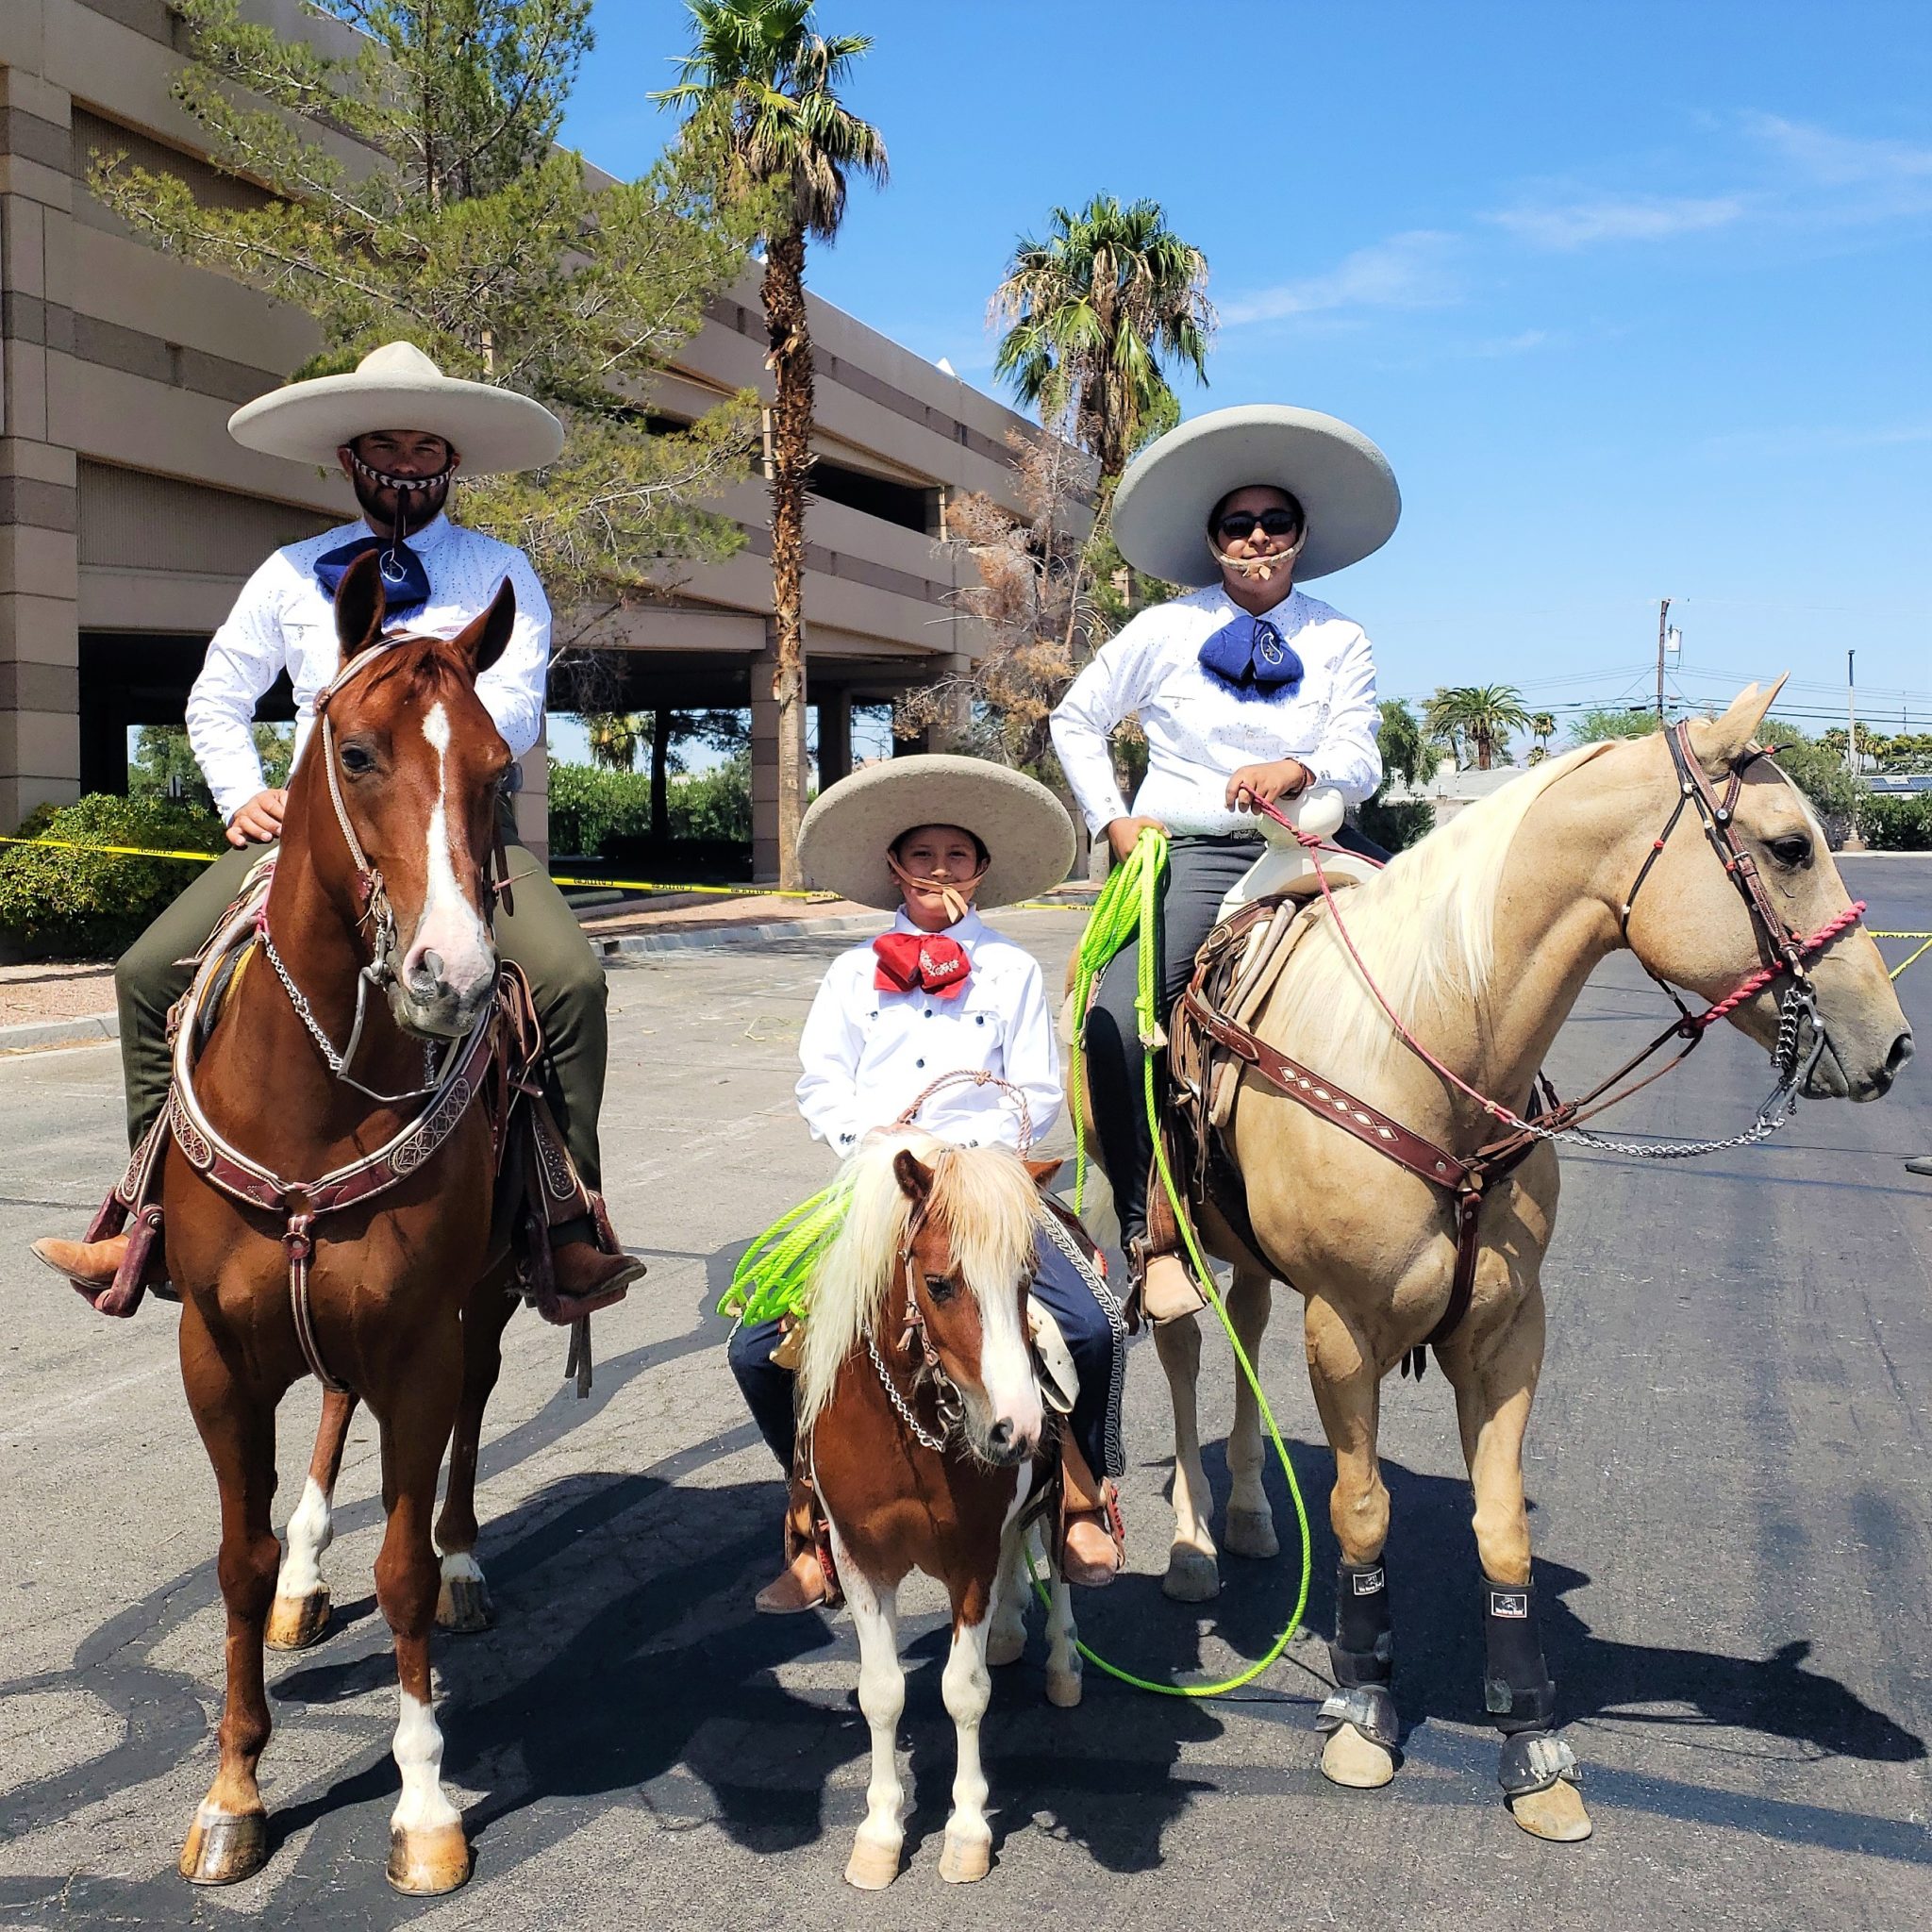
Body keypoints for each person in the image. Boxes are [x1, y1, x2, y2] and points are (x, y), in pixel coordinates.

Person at [32, 341, 640, 1311]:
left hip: (457, 829)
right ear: (352, 459)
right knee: (148, 972)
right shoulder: (290, 573)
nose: (405, 463)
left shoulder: (498, 570)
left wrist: (413, 698)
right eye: (384, 445)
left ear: (449, 461)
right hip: (314, 835)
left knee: (568, 980)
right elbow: (216, 697)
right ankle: (143, 1212)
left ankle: (562, 1220)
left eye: (423, 445)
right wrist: (240, 793)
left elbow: (514, 711)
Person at [726, 755, 1129, 1612]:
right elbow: (819, 1081)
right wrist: (870, 1142)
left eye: (956, 855)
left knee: (1090, 1327)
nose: (939, 870)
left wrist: (964, 1158)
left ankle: (1079, 1502)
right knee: (758, 1351)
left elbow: (1038, 1089)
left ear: (980, 871)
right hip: (874, 1186)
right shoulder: (849, 973)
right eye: (922, 855)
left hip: (982, 1189)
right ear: (894, 869)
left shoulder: (1013, 970)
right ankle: (811, 1526)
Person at [1049, 404, 1399, 1324]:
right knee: (1118, 1023)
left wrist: (1299, 764)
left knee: (1445, 955)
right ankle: (1143, 1230)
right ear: (1211, 539)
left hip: (1314, 835)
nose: (1254, 538)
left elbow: (1361, 751)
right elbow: (1074, 719)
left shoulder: (1339, 637)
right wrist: (1112, 820)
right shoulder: (1163, 630)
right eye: (1235, 524)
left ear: (1299, 534)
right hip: (1196, 847)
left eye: (1272, 522)